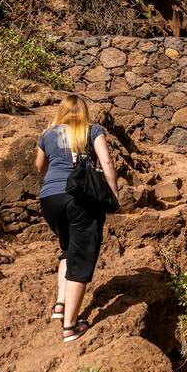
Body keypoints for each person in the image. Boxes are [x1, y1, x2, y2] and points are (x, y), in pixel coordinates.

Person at [35, 94, 118, 342]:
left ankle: (61, 303)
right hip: (80, 199)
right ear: (83, 111)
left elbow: (40, 166)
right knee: (81, 259)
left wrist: (56, 181)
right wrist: (113, 193)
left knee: (68, 249)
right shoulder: (92, 130)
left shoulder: (47, 134)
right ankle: (70, 327)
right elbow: (106, 160)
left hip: (49, 199)